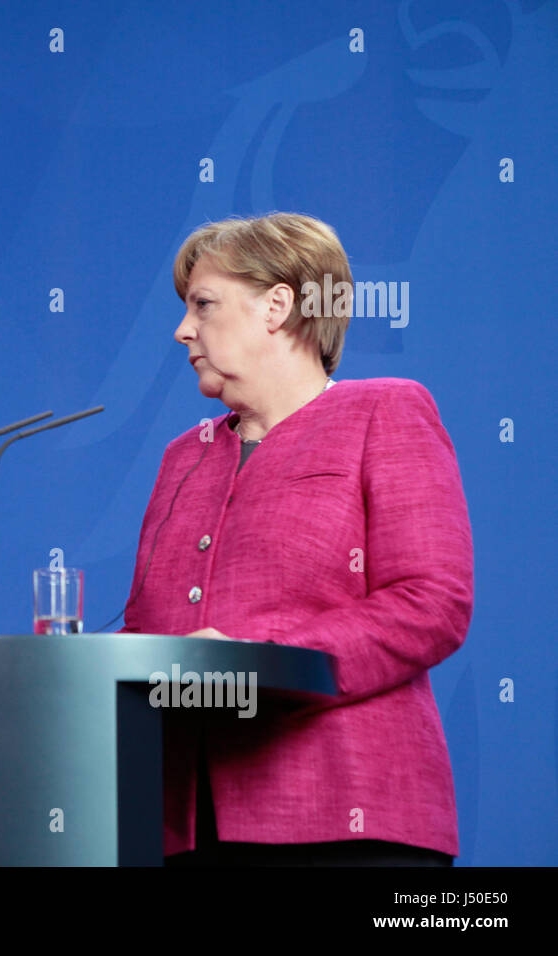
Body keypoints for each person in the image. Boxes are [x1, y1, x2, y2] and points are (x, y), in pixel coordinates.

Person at [122, 213, 473, 866]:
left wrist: (260, 663)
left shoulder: (385, 411)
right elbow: (151, 636)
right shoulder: (181, 457)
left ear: (278, 306)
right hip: (182, 831)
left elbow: (432, 603)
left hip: (345, 824)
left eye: (202, 305)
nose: (182, 330)